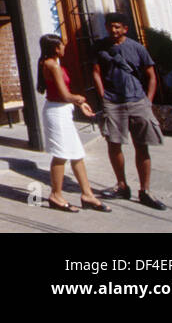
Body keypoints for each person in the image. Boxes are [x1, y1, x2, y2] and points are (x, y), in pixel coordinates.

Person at [92, 13, 166, 209]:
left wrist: (148, 101)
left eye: (117, 27)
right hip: (113, 102)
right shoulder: (99, 47)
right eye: (110, 26)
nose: (113, 30)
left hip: (137, 101)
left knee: (142, 145)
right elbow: (96, 72)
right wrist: (103, 96)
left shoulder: (137, 48)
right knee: (114, 143)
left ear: (125, 28)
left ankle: (145, 190)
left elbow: (151, 75)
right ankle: (122, 185)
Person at [37, 33, 110, 213]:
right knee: (61, 153)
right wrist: (79, 98)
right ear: (55, 47)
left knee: (77, 153)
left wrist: (81, 104)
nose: (64, 48)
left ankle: (87, 194)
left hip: (64, 111)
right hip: (56, 112)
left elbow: (65, 94)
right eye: (62, 45)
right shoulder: (51, 64)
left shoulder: (54, 63)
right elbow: (65, 95)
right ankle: (56, 195)